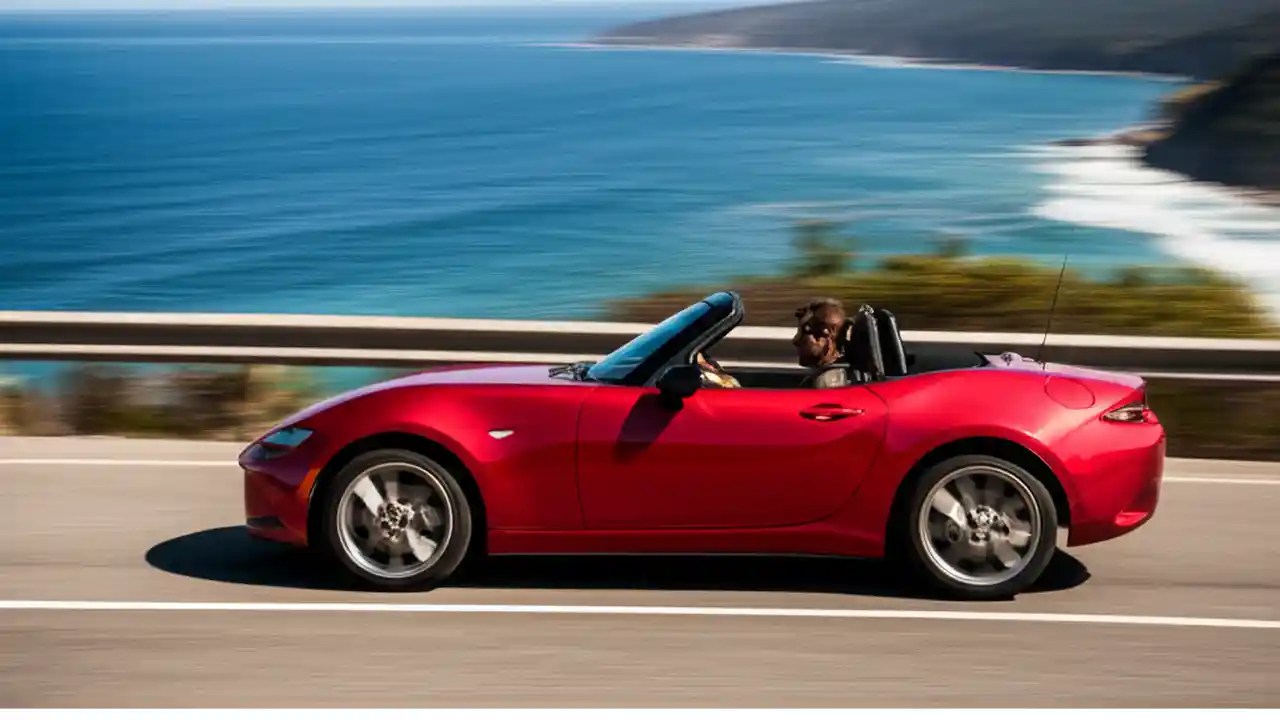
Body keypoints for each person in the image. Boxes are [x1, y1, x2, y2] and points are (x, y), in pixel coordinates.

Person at [792, 298, 851, 388]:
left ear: (826, 334)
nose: (795, 341)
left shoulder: (826, 384)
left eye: (805, 332)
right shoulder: (823, 377)